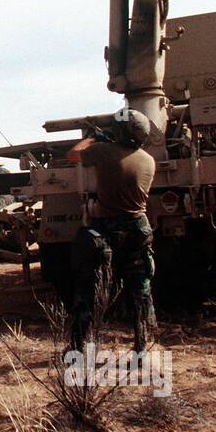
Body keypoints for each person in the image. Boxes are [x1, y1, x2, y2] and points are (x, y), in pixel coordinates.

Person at [67, 108, 157, 353]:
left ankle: (79, 346)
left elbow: (73, 154)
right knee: (140, 290)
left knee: (91, 287)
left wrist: (94, 137)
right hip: (139, 227)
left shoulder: (103, 152)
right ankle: (144, 346)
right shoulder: (148, 160)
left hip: (106, 227)